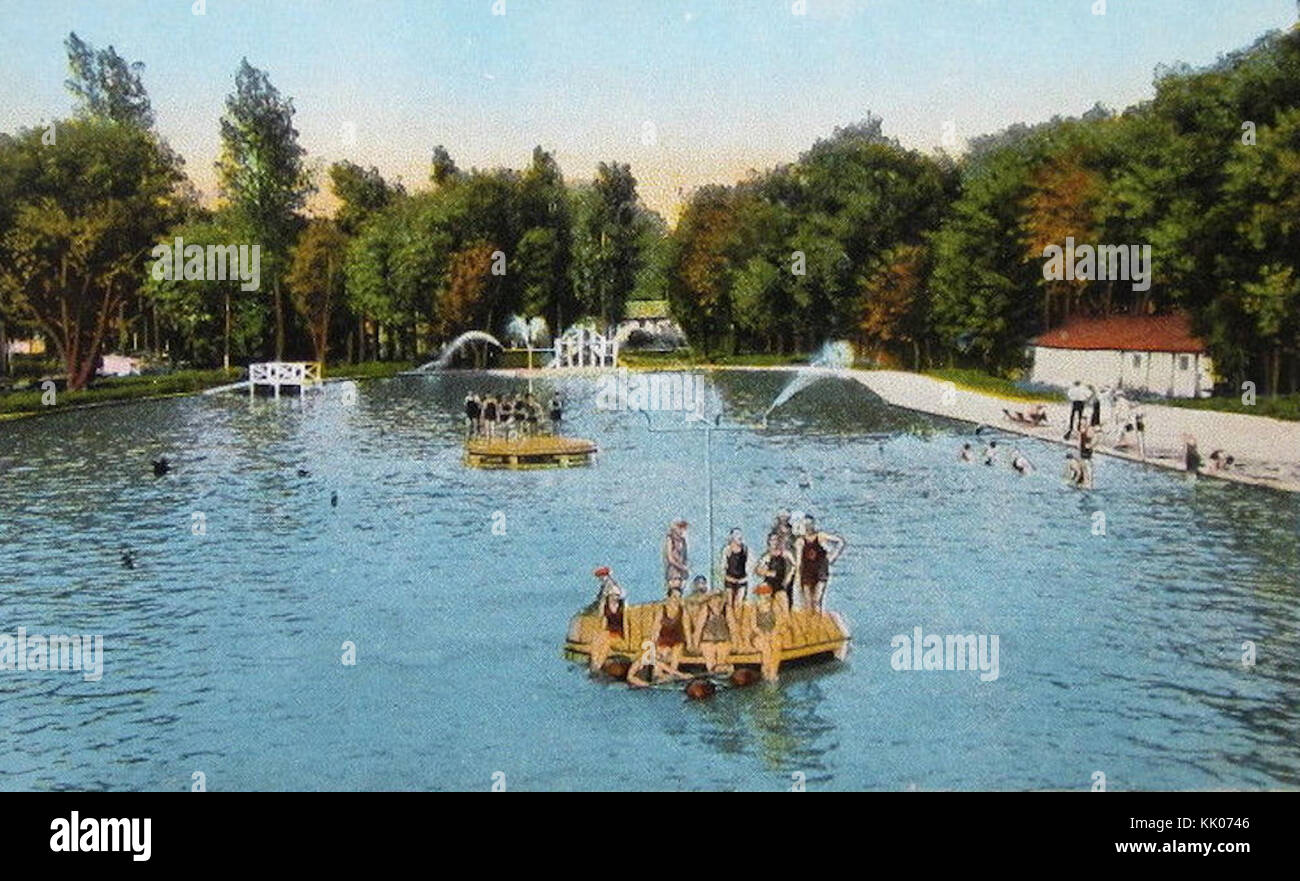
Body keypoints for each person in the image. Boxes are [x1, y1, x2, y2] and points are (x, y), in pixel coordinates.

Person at [628, 591, 692, 687]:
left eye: (679, 597)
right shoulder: (662, 610)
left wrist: (681, 675)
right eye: (674, 597)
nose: (676, 599)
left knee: (676, 649)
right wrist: (643, 684)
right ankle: (662, 676)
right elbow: (656, 628)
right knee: (662, 654)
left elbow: (687, 627)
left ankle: (670, 676)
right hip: (664, 639)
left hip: (677, 639)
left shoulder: (682, 610)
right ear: (669, 597)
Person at [793, 514, 845, 614]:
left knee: (817, 600)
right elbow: (798, 561)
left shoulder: (821, 536)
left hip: (821, 571)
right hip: (807, 572)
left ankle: (818, 623)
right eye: (805, 525)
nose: (808, 527)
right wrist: (797, 576)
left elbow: (840, 541)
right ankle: (810, 625)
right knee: (808, 602)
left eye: (809, 524)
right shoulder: (800, 541)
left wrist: (832, 556)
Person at [745, 587, 787, 682]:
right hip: (758, 634)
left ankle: (773, 672)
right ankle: (765, 671)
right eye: (761, 594)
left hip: (773, 632)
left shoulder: (774, 604)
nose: (764, 596)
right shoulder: (755, 607)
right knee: (766, 647)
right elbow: (754, 626)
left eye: (766, 593)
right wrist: (763, 634)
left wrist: (773, 633)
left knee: (776, 644)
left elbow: (779, 621)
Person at [693, 591, 736, 673]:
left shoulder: (727, 609)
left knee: (722, 655)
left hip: (723, 639)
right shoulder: (705, 609)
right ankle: (712, 673)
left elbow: (733, 628)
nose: (716, 600)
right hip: (707, 640)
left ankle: (722, 674)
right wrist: (695, 645)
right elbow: (699, 628)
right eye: (714, 598)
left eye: (718, 597)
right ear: (710, 600)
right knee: (710, 656)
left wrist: (735, 643)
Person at [754, 532, 797, 615]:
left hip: (780, 585)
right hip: (768, 584)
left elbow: (794, 565)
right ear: (769, 542)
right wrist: (767, 573)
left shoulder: (785, 553)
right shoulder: (767, 556)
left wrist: (789, 576)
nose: (775, 542)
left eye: (777, 540)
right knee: (764, 608)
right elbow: (757, 570)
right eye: (772, 540)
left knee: (785, 610)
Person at [589, 587, 628, 674]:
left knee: (606, 640)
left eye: (616, 595)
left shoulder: (622, 607)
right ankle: (594, 664)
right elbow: (603, 621)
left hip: (618, 632)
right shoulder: (606, 607)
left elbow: (625, 624)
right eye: (612, 595)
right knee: (597, 637)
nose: (614, 597)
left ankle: (597, 667)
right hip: (608, 632)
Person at [721, 528, 749, 606]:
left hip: (742, 579)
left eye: (740, 534)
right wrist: (727, 578)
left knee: (738, 603)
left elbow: (748, 565)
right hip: (730, 578)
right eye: (736, 535)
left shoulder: (745, 549)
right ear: (732, 537)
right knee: (729, 603)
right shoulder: (727, 549)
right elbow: (723, 566)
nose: (739, 537)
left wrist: (745, 578)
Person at [662, 520, 689, 586]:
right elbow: (670, 558)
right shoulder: (670, 539)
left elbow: (684, 557)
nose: (681, 530)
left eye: (683, 528)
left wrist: (685, 568)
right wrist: (681, 567)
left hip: (681, 572)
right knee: (675, 589)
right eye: (679, 527)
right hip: (673, 571)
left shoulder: (683, 541)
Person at [1078, 423, 1097, 488]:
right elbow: (1088, 446)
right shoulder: (1086, 442)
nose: (1093, 434)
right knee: (1088, 480)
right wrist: (1095, 442)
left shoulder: (1082, 438)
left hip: (1083, 460)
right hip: (1086, 461)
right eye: (1091, 432)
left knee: (1084, 478)